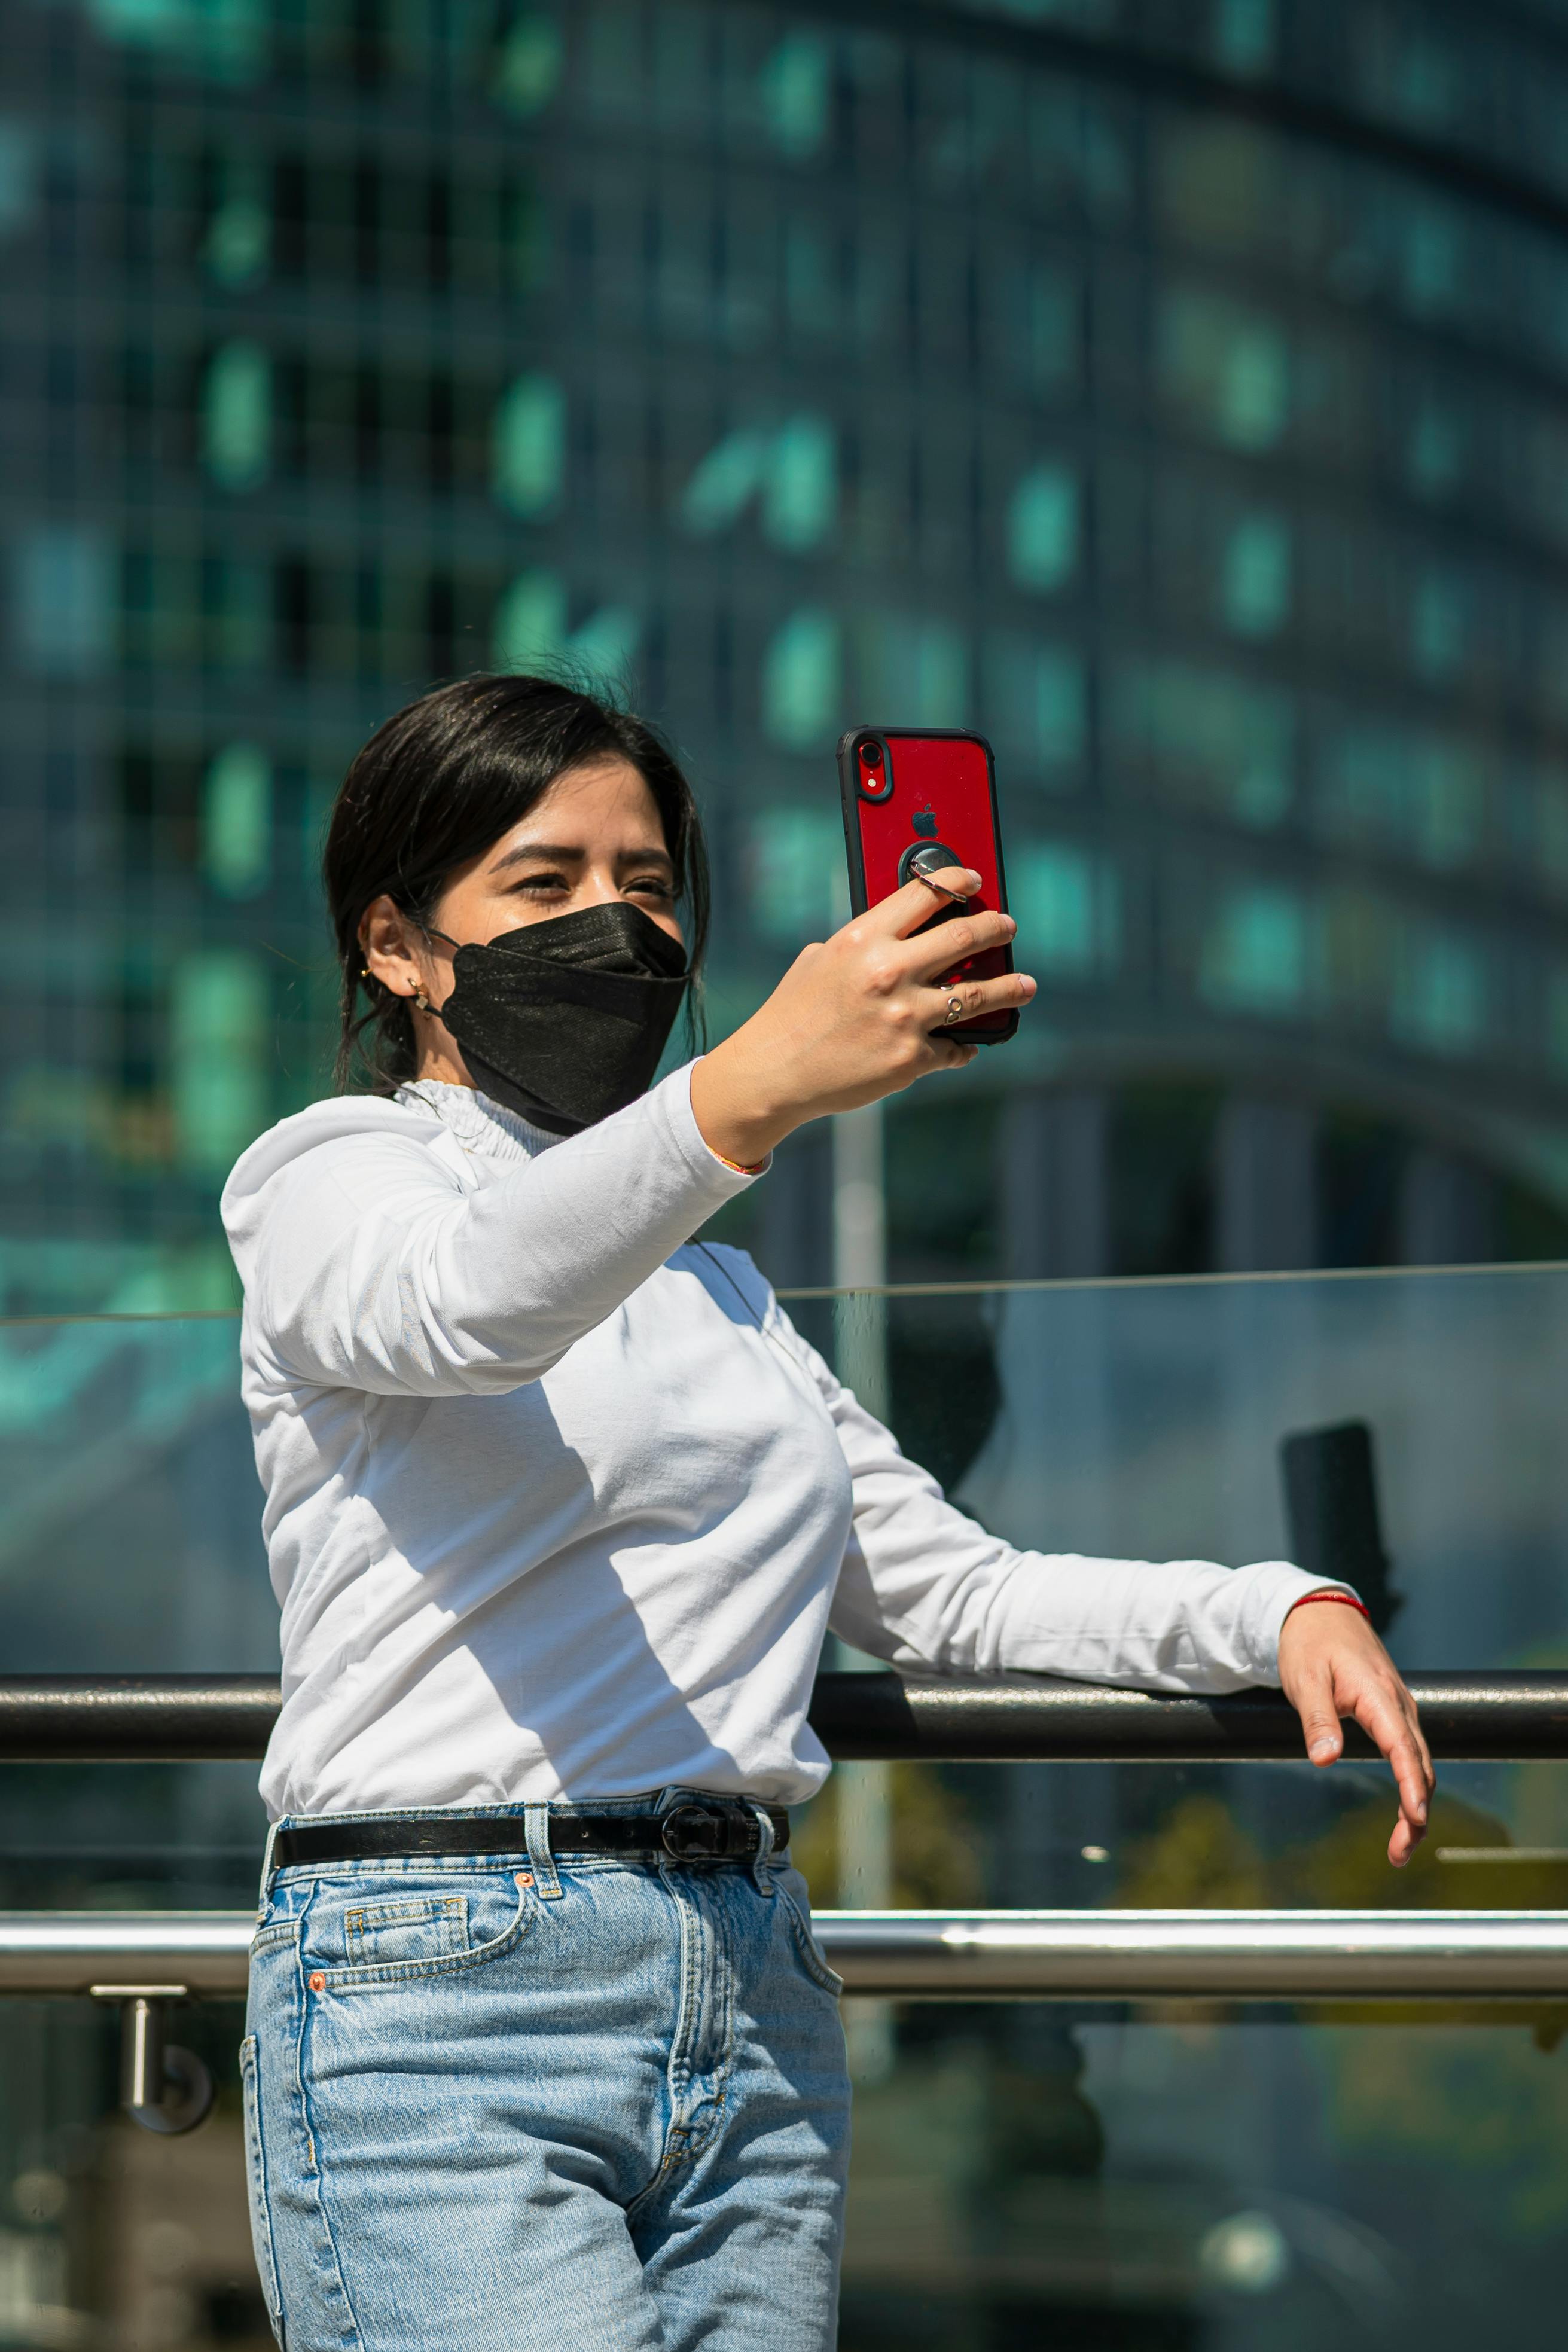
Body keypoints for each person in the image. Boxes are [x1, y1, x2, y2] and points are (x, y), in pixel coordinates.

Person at [224, 673, 1433, 2352]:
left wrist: (1274, 1607)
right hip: (442, 1979)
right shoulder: (325, 1177)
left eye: (649, 884)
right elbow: (464, 1308)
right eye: (544, 880)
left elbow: (952, 1592)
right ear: (397, 946)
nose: (616, 923)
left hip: (751, 1993)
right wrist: (753, 1091)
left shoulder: (716, 1287)